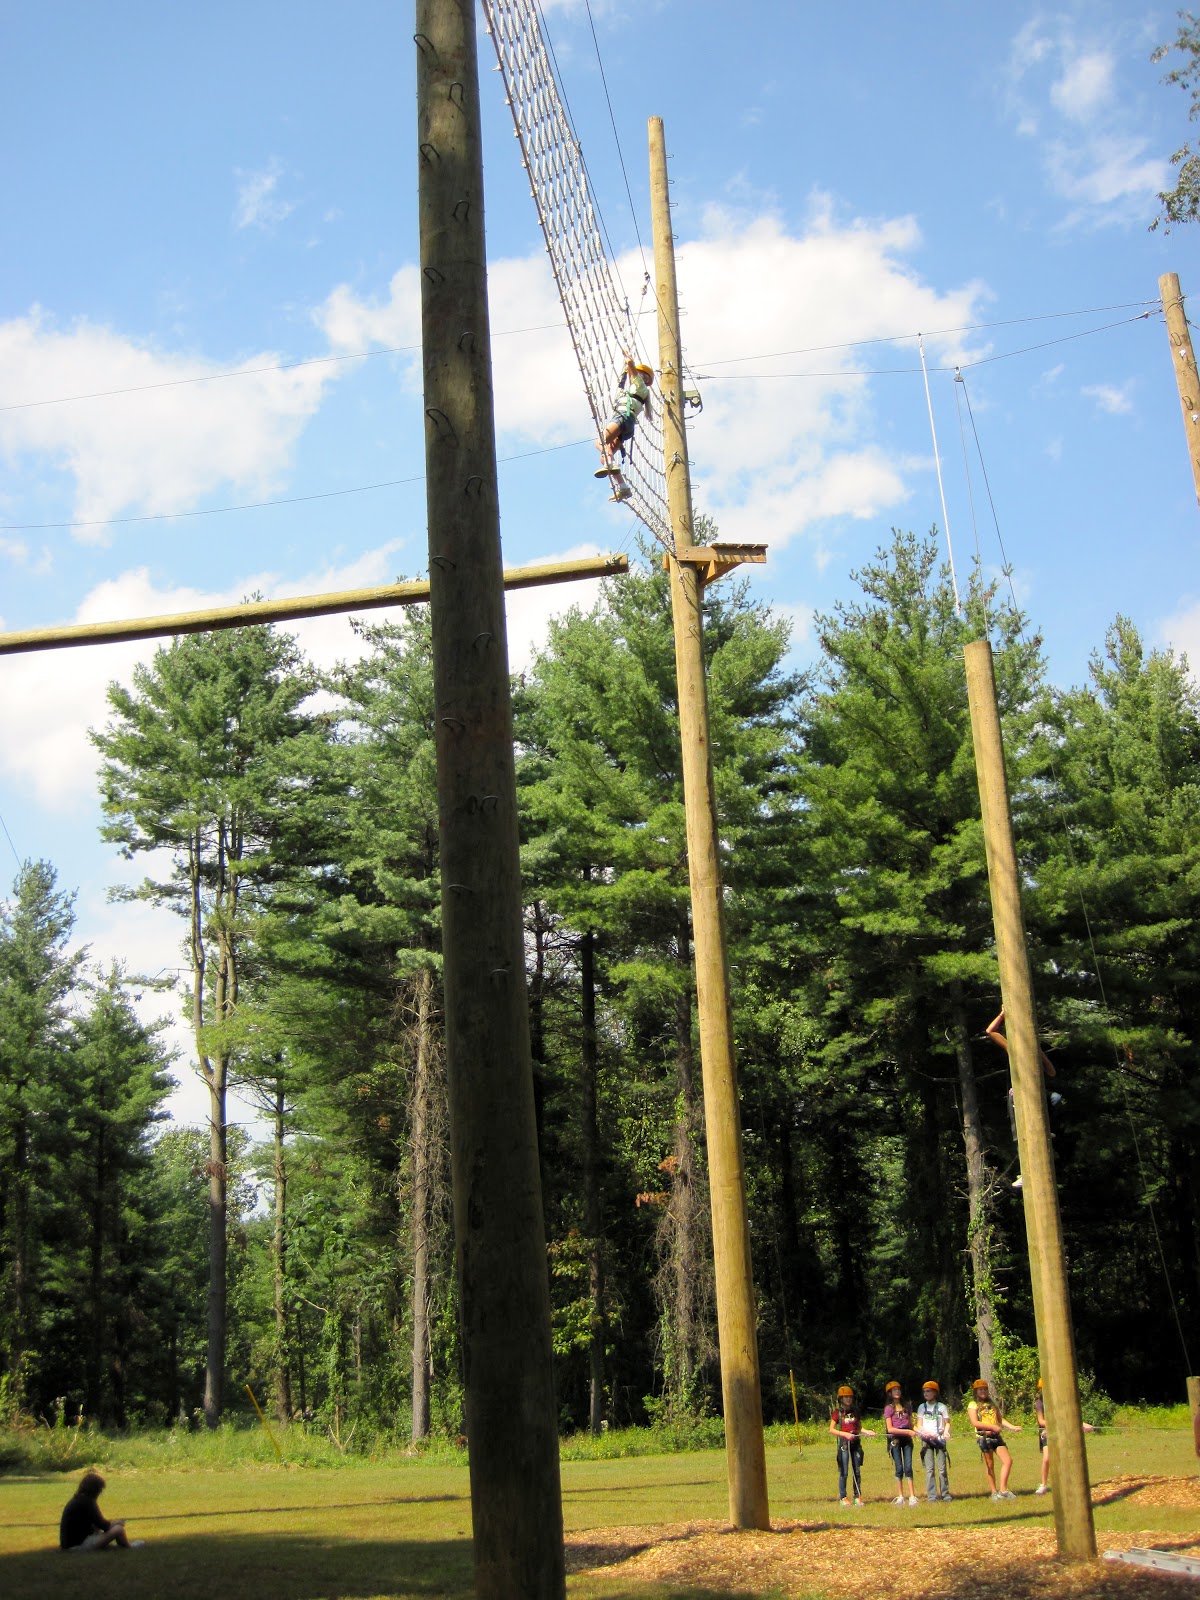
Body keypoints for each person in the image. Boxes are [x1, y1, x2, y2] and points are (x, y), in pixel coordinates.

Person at [985, 1007, 1056, 1190]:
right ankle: (1026, 1172)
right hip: (1018, 1096)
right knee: (1021, 1134)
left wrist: (1040, 1053)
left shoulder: (1035, 1051)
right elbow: (990, 1031)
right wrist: (1002, 1014)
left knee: (1055, 1098)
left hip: (1035, 1094)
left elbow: (1052, 1072)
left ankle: (1047, 1130)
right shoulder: (1013, 1048)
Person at [596, 355, 654, 482]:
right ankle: (622, 486)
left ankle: (610, 463)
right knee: (605, 454)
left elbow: (630, 364)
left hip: (622, 418)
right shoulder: (637, 391)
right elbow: (627, 375)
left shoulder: (640, 385)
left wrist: (627, 357)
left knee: (600, 441)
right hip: (628, 425)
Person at [1035, 1377, 1095, 1494]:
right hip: (1046, 1433)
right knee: (1047, 1459)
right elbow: (1041, 1422)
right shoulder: (1039, 1403)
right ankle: (1043, 1485)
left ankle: (1068, 1483)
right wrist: (1056, 1424)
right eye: (1043, 1389)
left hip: (1058, 1432)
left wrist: (1082, 1425)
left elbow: (1067, 1416)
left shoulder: (1056, 1401)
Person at [968, 1377, 1021, 1499]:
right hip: (984, 1437)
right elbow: (975, 1423)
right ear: (976, 1391)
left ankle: (1003, 1490)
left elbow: (1000, 1420)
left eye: (985, 1389)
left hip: (996, 1436)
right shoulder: (973, 1405)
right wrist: (992, 1427)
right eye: (980, 1390)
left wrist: (1012, 1427)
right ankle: (993, 1492)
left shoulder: (992, 1403)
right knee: (990, 1465)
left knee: (1008, 1461)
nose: (983, 1392)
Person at [59, 1471, 139, 1552]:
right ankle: (129, 1547)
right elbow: (104, 1526)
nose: (100, 1493)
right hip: (78, 1546)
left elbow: (96, 1524)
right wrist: (116, 1522)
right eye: (100, 1489)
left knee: (100, 1529)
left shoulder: (78, 1499)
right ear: (95, 1489)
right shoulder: (88, 1502)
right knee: (119, 1529)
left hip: (68, 1544)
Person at [829, 1384, 876, 1505]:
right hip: (844, 1444)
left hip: (855, 1443)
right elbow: (831, 1430)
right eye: (846, 1397)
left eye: (850, 1397)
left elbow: (859, 1427)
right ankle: (843, 1497)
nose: (848, 1399)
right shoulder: (837, 1413)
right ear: (841, 1399)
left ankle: (857, 1496)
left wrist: (867, 1432)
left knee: (857, 1471)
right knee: (844, 1471)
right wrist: (844, 1434)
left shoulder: (855, 1411)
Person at [916, 1379, 953, 1502]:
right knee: (929, 1469)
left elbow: (947, 1423)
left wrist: (946, 1432)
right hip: (927, 1441)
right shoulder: (922, 1407)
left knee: (942, 1468)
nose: (926, 1393)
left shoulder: (942, 1407)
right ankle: (932, 1496)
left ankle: (945, 1494)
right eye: (924, 1391)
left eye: (928, 1391)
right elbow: (919, 1425)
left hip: (940, 1439)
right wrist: (925, 1433)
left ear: (935, 1393)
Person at [883, 1381, 918, 1506]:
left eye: (898, 1389)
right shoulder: (888, 1409)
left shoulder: (907, 1406)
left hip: (907, 1440)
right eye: (894, 1390)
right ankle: (900, 1496)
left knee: (908, 1467)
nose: (897, 1392)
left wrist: (919, 1431)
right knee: (899, 1468)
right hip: (895, 1440)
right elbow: (890, 1429)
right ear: (890, 1393)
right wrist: (907, 1432)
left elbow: (911, 1425)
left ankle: (912, 1496)